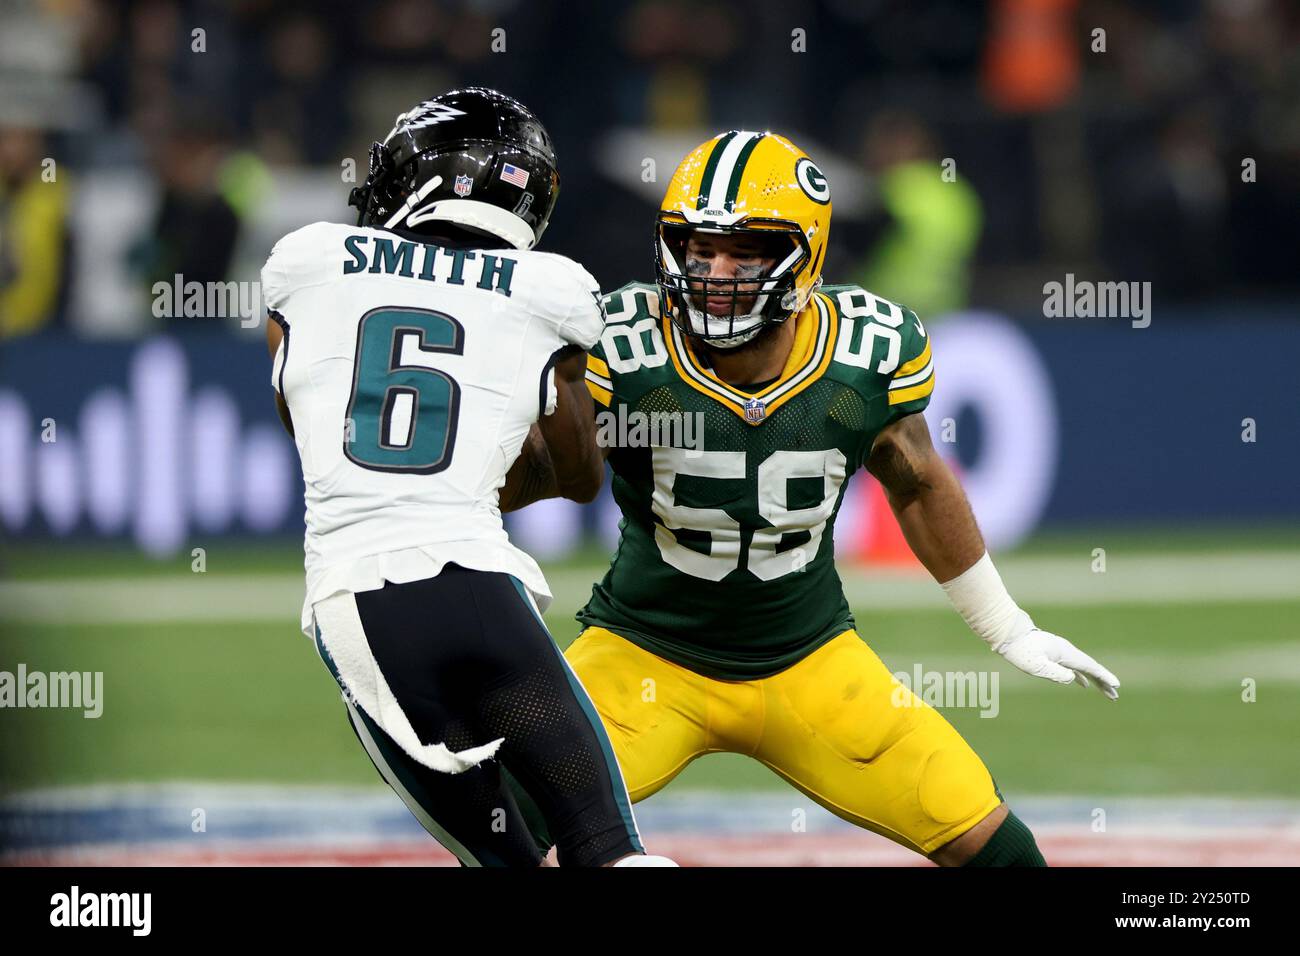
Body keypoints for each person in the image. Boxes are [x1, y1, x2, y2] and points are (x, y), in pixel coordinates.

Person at [509, 130, 1119, 866]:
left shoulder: (864, 350)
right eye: (698, 248)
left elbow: (918, 480)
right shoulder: (622, 339)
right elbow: (543, 474)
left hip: (810, 661)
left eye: (747, 251)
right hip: (642, 655)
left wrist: (1006, 626)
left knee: (998, 848)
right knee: (501, 827)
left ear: (806, 256)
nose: (716, 272)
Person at [260, 87, 672, 867]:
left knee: (504, 863)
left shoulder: (306, 262)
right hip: (484, 591)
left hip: (360, 606)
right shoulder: (549, 291)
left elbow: (307, 420)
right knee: (611, 849)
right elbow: (582, 474)